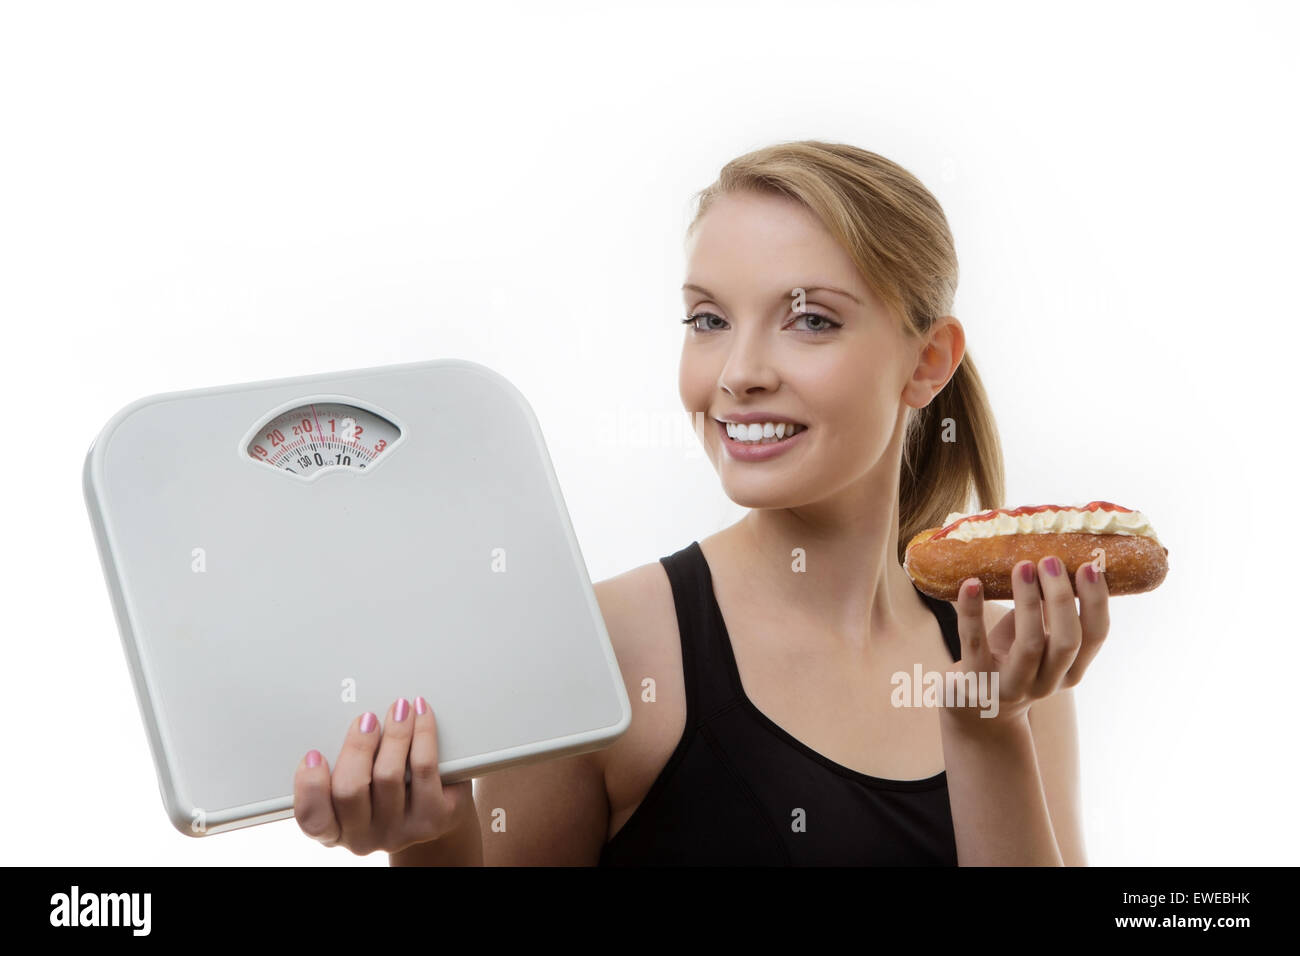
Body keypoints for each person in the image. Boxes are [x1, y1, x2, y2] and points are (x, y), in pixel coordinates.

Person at [292, 141, 1108, 865]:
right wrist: (428, 844)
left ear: (928, 363)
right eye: (709, 319)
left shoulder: (1012, 659)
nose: (738, 372)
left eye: (811, 321)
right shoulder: (592, 651)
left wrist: (986, 728)